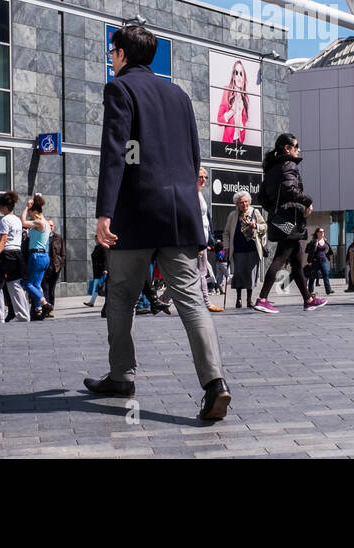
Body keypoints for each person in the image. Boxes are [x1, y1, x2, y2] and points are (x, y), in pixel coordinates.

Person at [86, 24, 230, 422]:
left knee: (120, 296)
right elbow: (193, 157)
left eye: (112, 52)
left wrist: (104, 213)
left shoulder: (120, 90)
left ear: (122, 55)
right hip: (179, 215)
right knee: (191, 300)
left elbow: (114, 153)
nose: (111, 59)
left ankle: (122, 375)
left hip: (135, 214)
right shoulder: (179, 95)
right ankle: (215, 384)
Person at [254, 133, 326, 313]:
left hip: (278, 219)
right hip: (290, 221)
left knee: (296, 259)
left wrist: (274, 209)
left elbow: (262, 197)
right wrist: (307, 201)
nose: (299, 149)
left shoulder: (271, 169)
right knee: (281, 256)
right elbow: (290, 189)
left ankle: (308, 299)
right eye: (296, 146)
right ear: (287, 148)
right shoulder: (288, 165)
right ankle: (262, 298)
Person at [0, 190, 31, 323]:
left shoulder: (4, 220)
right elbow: (10, 238)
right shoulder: (17, 220)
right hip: (16, 255)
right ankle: (24, 316)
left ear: (5, 207)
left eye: (0, 207)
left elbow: (3, 241)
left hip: (5, 255)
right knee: (15, 285)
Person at [224, 191, 266, 308]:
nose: (244, 204)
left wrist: (255, 226)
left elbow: (264, 226)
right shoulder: (233, 215)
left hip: (252, 248)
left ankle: (249, 299)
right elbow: (226, 233)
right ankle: (238, 299)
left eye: (246, 201)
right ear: (236, 204)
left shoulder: (255, 212)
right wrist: (226, 247)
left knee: (250, 275)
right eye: (241, 202)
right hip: (237, 250)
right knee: (238, 274)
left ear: (249, 202)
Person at [195, 168, 223, 312]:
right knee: (201, 272)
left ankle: (164, 299)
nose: (204, 179)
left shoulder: (199, 194)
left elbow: (206, 220)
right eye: (201, 177)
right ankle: (206, 302)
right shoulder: (193, 194)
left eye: (206, 177)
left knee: (197, 272)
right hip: (198, 241)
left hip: (203, 240)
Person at [21, 194, 54, 320]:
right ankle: (38, 309)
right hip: (43, 256)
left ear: (34, 211)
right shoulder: (43, 223)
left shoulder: (39, 222)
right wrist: (36, 200)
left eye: (30, 212)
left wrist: (25, 207)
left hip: (37, 256)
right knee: (36, 284)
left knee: (27, 283)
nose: (29, 214)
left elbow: (23, 222)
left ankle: (44, 304)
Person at [42, 217, 65, 316]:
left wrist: (61, 264)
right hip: (44, 266)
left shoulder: (58, 237)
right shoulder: (42, 236)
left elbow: (63, 252)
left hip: (55, 266)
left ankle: (51, 308)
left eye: (51, 225)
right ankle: (46, 308)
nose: (50, 227)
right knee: (45, 288)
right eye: (48, 225)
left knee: (51, 289)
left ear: (54, 226)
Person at [305, 227, 334, 296]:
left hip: (323, 260)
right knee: (312, 276)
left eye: (323, 231)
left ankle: (328, 290)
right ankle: (311, 291)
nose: (322, 233)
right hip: (315, 261)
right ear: (317, 233)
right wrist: (309, 261)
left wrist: (328, 256)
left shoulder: (325, 241)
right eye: (320, 231)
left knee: (325, 274)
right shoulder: (314, 241)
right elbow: (310, 252)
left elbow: (327, 250)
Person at [84, 242, 108, 307]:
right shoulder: (97, 247)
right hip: (96, 270)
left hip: (101, 270)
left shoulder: (103, 247)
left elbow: (105, 259)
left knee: (96, 286)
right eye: (95, 238)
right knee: (96, 287)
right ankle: (92, 302)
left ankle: (92, 302)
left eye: (97, 238)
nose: (96, 240)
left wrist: (105, 269)